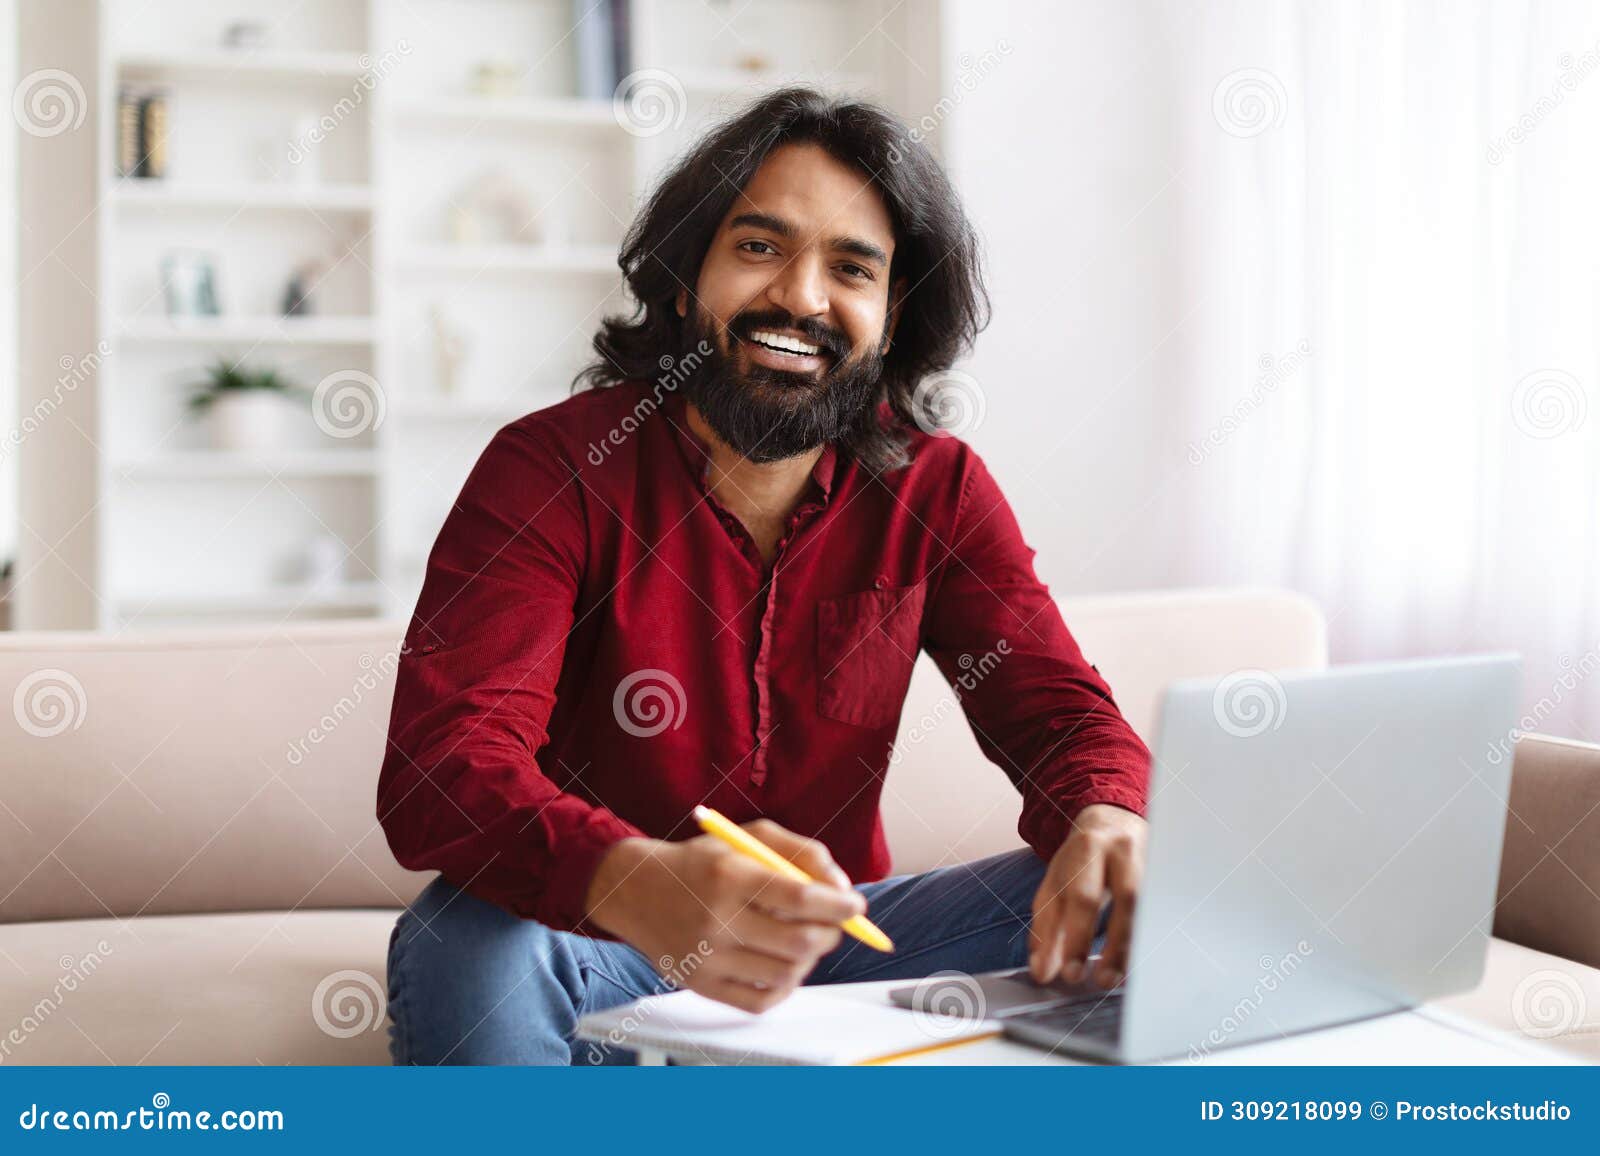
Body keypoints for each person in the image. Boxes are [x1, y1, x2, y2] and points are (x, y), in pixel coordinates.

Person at [378, 87, 1150, 1065]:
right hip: (604, 940)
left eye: (852, 268)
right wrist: (636, 879)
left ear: (892, 318)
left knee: (1136, 897)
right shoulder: (553, 468)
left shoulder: (937, 488)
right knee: (462, 939)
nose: (802, 298)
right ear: (681, 281)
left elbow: (1058, 711)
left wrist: (1105, 814)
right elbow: (447, 765)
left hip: (835, 950)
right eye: (758, 247)